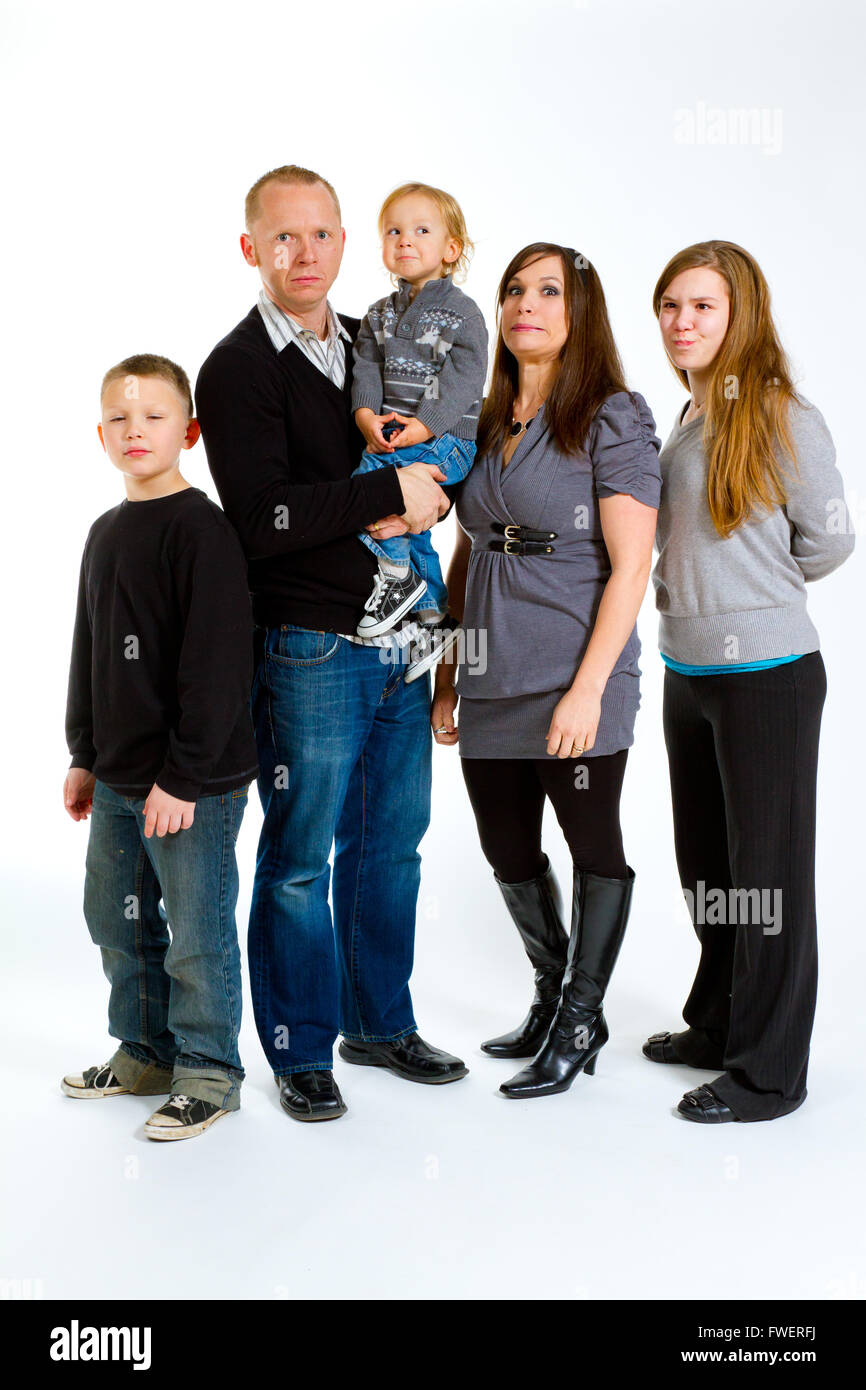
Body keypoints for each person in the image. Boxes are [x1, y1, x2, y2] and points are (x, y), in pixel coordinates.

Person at [195, 165, 468, 1125]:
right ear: (252, 250)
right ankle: (301, 1049)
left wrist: (427, 485)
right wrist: (389, 496)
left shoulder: (370, 341)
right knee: (302, 854)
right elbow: (266, 519)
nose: (304, 254)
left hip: (405, 637)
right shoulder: (236, 369)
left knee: (392, 846)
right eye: (284, 238)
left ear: (346, 242)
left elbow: (435, 444)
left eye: (321, 235)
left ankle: (378, 1023)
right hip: (312, 648)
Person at [432, 243, 661, 1099]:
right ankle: (551, 994)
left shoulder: (613, 415)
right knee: (506, 848)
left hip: (575, 671)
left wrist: (591, 687)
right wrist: (447, 671)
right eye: (515, 289)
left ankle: (579, 1022)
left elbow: (633, 565)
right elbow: (468, 550)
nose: (527, 303)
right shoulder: (487, 421)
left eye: (549, 290)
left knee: (592, 846)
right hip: (491, 672)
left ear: (580, 310)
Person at [644, 240, 855, 1124]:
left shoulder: (780, 414)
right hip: (688, 669)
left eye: (702, 307)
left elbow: (832, 540)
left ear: (742, 316)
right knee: (708, 866)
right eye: (671, 307)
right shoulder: (690, 414)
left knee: (764, 874)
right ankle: (723, 1017)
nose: (682, 323)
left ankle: (770, 1075)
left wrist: (759, 593)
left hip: (766, 674)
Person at [62, 355, 259, 1142]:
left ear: (190, 430)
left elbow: (216, 667)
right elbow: (90, 649)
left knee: (196, 929)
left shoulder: (201, 531)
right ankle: (144, 1049)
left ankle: (209, 1070)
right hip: (117, 775)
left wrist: (183, 776)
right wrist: (83, 750)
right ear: (101, 436)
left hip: (192, 784)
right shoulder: (105, 533)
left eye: (153, 416)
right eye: (120, 418)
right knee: (114, 914)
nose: (135, 430)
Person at [350, 181, 487, 682]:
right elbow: (364, 369)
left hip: (446, 441)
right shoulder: (377, 315)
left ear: (451, 250)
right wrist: (367, 418)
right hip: (391, 435)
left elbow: (464, 379)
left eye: (421, 231)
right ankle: (431, 616)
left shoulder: (463, 313)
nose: (405, 240)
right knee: (396, 504)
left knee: (372, 490)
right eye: (394, 231)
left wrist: (422, 427)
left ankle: (395, 577)